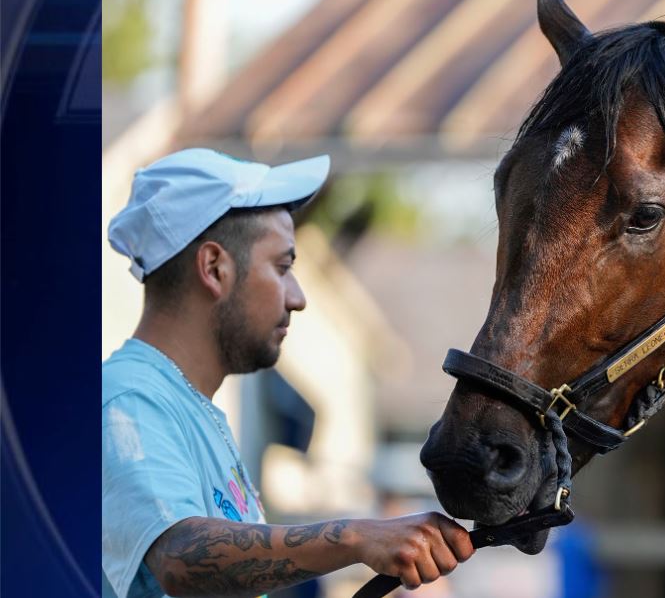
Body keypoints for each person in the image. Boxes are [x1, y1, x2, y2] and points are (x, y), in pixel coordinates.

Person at [102, 149, 473, 598]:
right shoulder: (128, 400)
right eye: (282, 267)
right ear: (214, 268)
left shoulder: (189, 411)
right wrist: (357, 537)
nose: (297, 298)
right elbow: (179, 559)